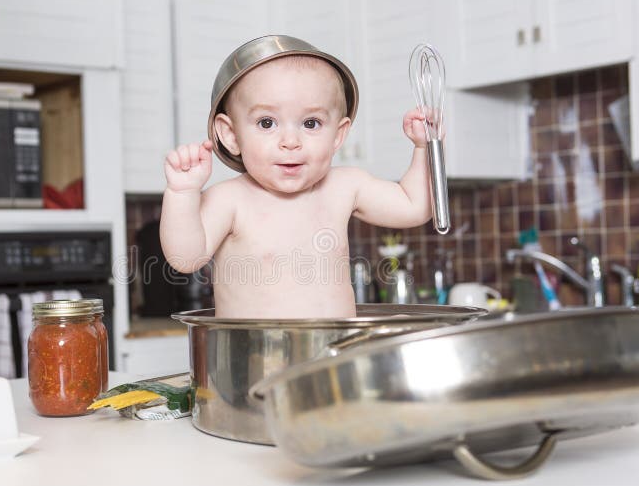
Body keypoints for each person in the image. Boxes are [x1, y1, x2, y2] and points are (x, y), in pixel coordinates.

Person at [160, 35, 434, 319]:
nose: (290, 141)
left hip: (334, 357)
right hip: (254, 358)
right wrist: (181, 193)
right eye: (267, 123)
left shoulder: (345, 186)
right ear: (230, 135)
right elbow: (186, 258)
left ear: (338, 135)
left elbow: (414, 206)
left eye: (310, 123)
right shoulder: (229, 199)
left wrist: (425, 148)